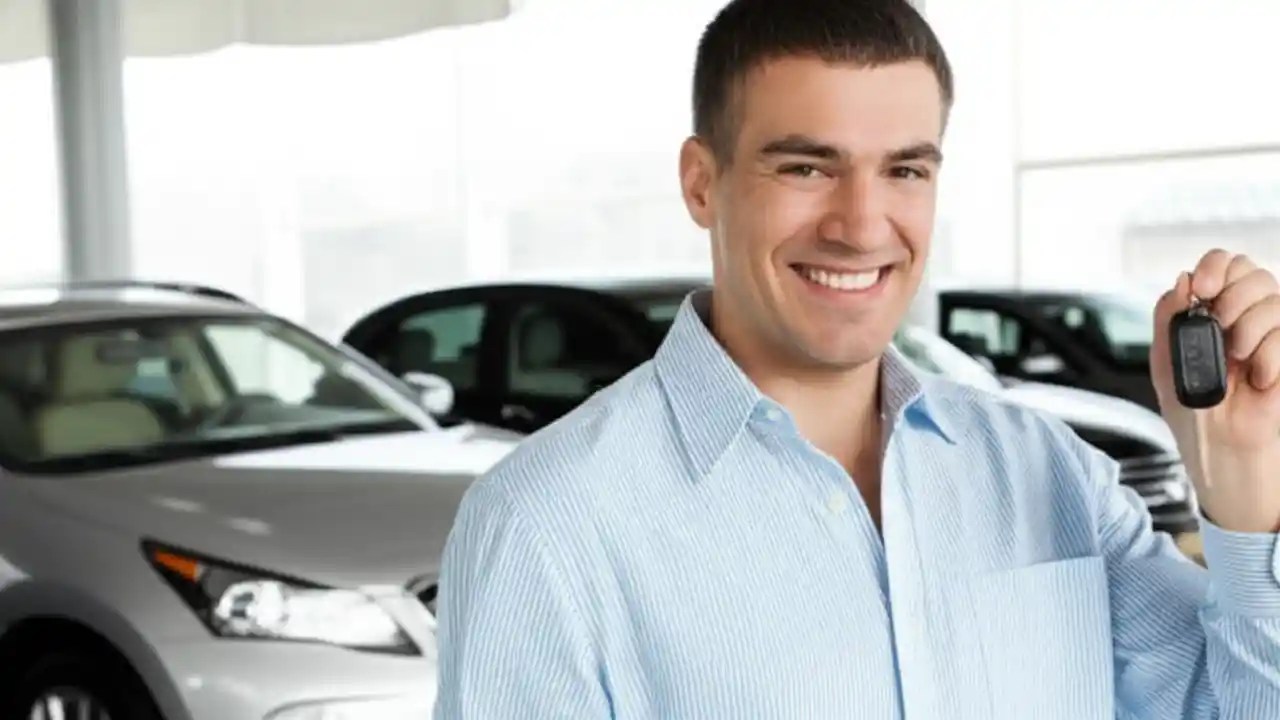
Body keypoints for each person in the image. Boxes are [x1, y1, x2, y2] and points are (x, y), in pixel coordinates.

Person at [432, 0, 1280, 717]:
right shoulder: (545, 525)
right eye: (807, 166)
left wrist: (1247, 502)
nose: (862, 224)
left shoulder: (1051, 471)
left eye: (905, 170)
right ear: (701, 183)